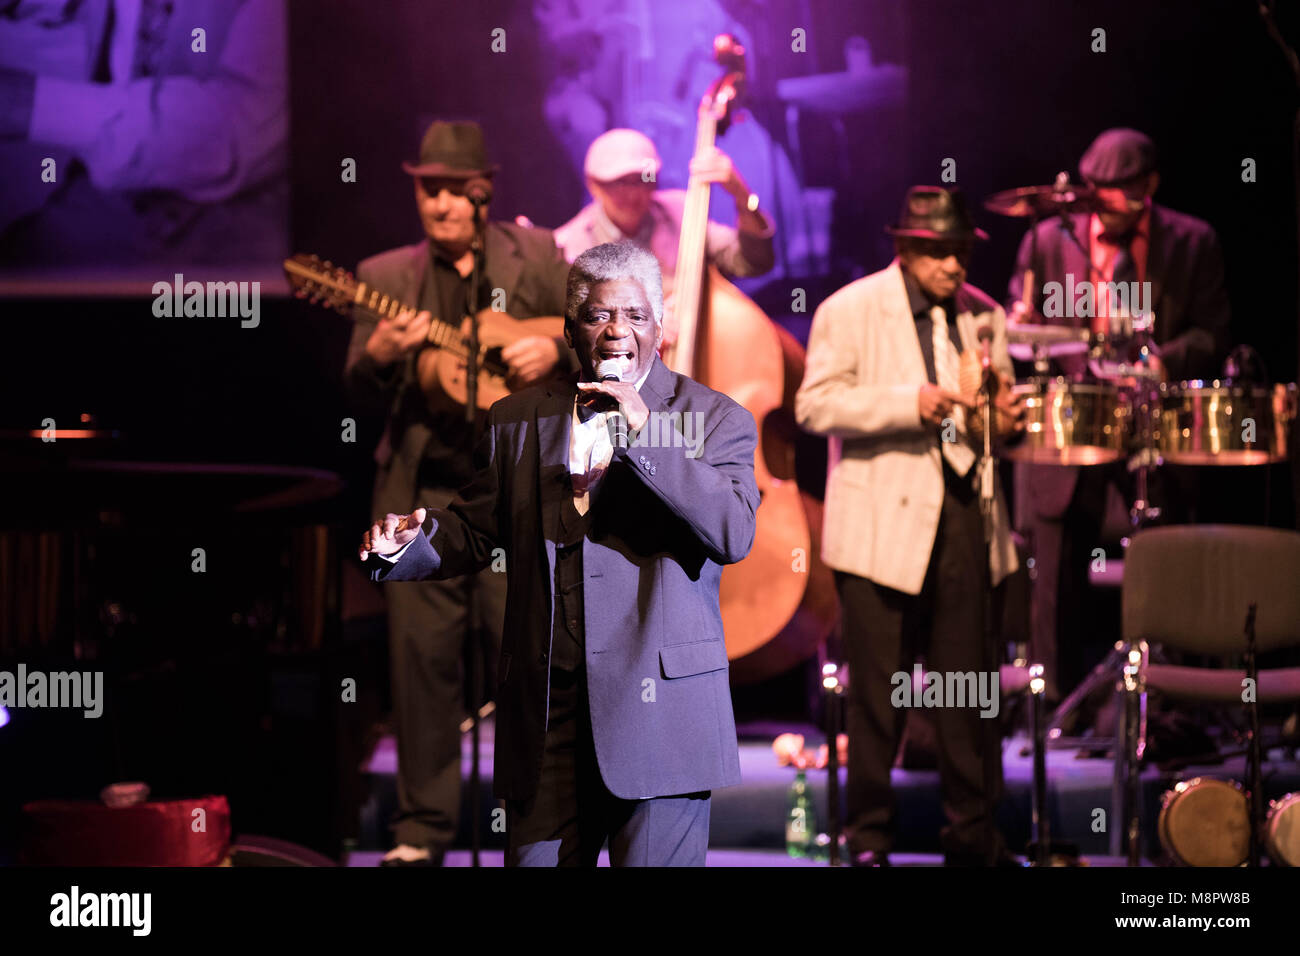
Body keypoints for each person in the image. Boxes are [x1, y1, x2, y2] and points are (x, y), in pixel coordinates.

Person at [359, 241, 758, 866]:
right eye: (599, 315)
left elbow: (732, 531)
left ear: (659, 328)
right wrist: (409, 543)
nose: (617, 331)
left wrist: (645, 431)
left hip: (660, 719)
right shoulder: (518, 420)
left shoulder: (712, 417)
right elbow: (473, 528)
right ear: (571, 330)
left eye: (635, 315)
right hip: (545, 720)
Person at [343, 119, 575, 866]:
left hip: (515, 496)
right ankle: (421, 831)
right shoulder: (384, 276)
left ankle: (538, 821)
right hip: (423, 495)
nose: (438, 203)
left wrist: (554, 347)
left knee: (527, 660)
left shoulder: (535, 253)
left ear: (483, 193)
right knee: (422, 667)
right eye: (427, 189)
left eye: (452, 190)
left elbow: (593, 330)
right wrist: (382, 353)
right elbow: (357, 382)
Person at [795, 186, 1023, 867]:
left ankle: (973, 837)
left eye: (961, 252)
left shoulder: (984, 314)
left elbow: (990, 417)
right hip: (880, 528)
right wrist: (910, 402)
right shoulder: (850, 308)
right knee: (877, 695)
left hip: (966, 518)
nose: (955, 266)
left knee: (968, 692)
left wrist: (1004, 420)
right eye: (940, 252)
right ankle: (868, 838)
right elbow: (814, 406)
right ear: (905, 248)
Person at [1007, 128, 1231, 699]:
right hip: (1074, 425)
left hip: (1154, 429)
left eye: (1121, 189)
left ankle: (1172, 702)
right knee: (1055, 570)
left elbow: (1213, 331)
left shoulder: (1192, 241)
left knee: (1167, 565)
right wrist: (1030, 328)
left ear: (1150, 185)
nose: (1105, 201)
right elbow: (1021, 322)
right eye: (1096, 189)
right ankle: (1056, 705)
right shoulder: (1048, 240)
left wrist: (1162, 360)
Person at [553, 128, 775, 344]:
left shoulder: (681, 210)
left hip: (699, 348)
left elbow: (754, 262)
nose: (633, 193)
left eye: (643, 179)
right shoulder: (567, 247)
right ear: (593, 185)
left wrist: (742, 196)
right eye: (619, 183)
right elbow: (574, 331)